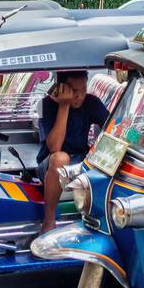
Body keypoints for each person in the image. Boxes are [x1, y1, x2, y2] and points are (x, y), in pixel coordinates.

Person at [38, 71, 109, 232]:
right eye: (74, 91)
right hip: (51, 164)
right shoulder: (46, 104)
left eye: (83, 90)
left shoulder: (91, 102)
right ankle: (49, 219)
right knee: (61, 158)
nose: (79, 96)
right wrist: (64, 105)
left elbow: (113, 127)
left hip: (80, 161)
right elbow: (54, 147)